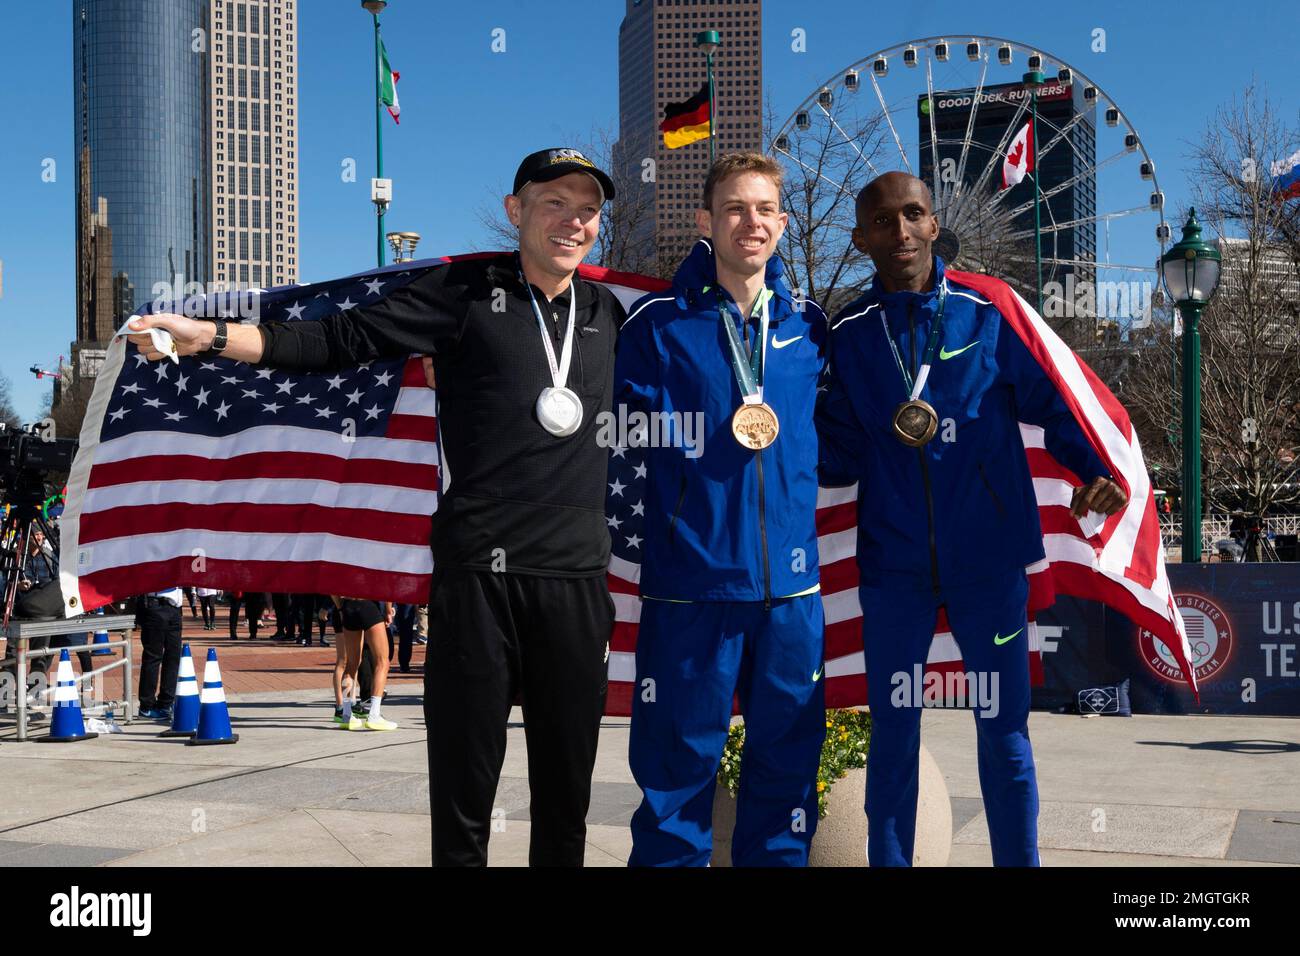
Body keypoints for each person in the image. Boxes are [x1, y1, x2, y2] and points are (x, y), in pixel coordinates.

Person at [127, 147, 625, 867]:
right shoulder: (461, 291)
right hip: (478, 580)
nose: (572, 220)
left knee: (566, 808)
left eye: (587, 208)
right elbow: (339, 337)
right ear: (516, 211)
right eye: (554, 201)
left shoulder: (609, 313)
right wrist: (211, 337)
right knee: (463, 804)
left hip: (578, 582)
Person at [815, 171, 1129, 866]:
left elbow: (1052, 405)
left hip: (989, 563)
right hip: (893, 569)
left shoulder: (987, 314)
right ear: (861, 237)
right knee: (893, 740)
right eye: (883, 220)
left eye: (913, 214)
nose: (900, 231)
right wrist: (781, 434)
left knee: (1006, 735)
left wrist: (1093, 471)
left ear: (933, 224)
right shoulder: (849, 334)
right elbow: (839, 458)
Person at [616, 152, 829, 866]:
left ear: (783, 223)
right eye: (736, 208)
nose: (752, 221)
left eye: (765, 208)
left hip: (791, 597)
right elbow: (614, 439)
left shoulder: (810, 330)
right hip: (691, 591)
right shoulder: (655, 327)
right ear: (706, 221)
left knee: (788, 784)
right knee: (675, 791)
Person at [136, 587, 184, 720]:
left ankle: (165, 703)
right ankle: (146, 706)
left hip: (175, 608)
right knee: (153, 658)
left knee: (173, 658)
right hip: (155, 604)